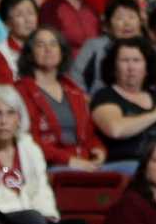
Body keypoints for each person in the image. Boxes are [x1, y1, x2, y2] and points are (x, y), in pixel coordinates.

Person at [0, 85, 60, 224]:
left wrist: (48, 215)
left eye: (10, 113)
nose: (4, 121)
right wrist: (23, 212)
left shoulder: (31, 149)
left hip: (32, 217)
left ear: (19, 119)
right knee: (33, 220)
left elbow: (42, 190)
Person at [18, 27, 104, 170]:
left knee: (130, 169)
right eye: (40, 45)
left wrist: (98, 149)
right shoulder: (21, 91)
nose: (48, 49)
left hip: (83, 161)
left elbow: (90, 133)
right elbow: (28, 141)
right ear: (30, 54)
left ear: (62, 51)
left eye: (53, 44)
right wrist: (69, 160)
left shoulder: (73, 90)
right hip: (47, 165)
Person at [91, 40, 156, 172]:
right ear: (114, 67)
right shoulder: (105, 96)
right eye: (125, 60)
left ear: (147, 67)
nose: (131, 67)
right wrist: (155, 115)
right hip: (126, 164)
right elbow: (115, 130)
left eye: (136, 60)